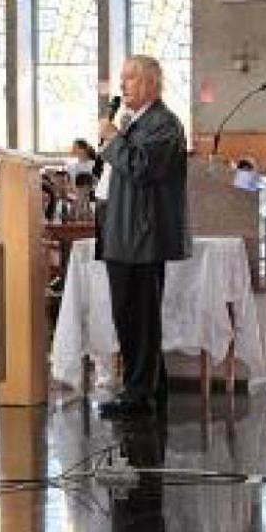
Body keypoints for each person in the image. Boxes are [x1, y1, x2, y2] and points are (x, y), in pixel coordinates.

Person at [96, 55, 190, 419]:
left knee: (138, 317)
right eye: (122, 78)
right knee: (131, 315)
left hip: (141, 236)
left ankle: (139, 395)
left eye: (131, 78)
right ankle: (151, 386)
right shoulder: (137, 122)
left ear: (152, 83)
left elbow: (142, 168)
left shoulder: (163, 124)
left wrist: (112, 139)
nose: (123, 85)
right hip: (123, 232)